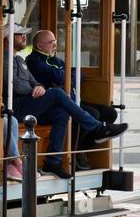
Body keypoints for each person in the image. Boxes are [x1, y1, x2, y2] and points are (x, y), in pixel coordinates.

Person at [0, 23, 127, 179]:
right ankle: (96, 128)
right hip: (11, 106)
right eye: (20, 34)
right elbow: (14, 86)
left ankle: (52, 162)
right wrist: (36, 90)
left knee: (60, 113)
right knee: (56, 93)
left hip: (25, 103)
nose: (24, 37)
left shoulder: (19, 59)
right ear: (7, 38)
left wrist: (40, 87)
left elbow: (33, 82)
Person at [25, 29, 118, 171]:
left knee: (110, 113)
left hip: (74, 100)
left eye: (55, 42)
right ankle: (76, 154)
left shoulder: (54, 59)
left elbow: (78, 74)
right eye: (51, 43)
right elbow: (59, 76)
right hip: (59, 105)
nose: (55, 46)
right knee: (93, 114)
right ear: (39, 45)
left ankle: (82, 147)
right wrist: (66, 77)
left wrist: (68, 77)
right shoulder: (33, 61)